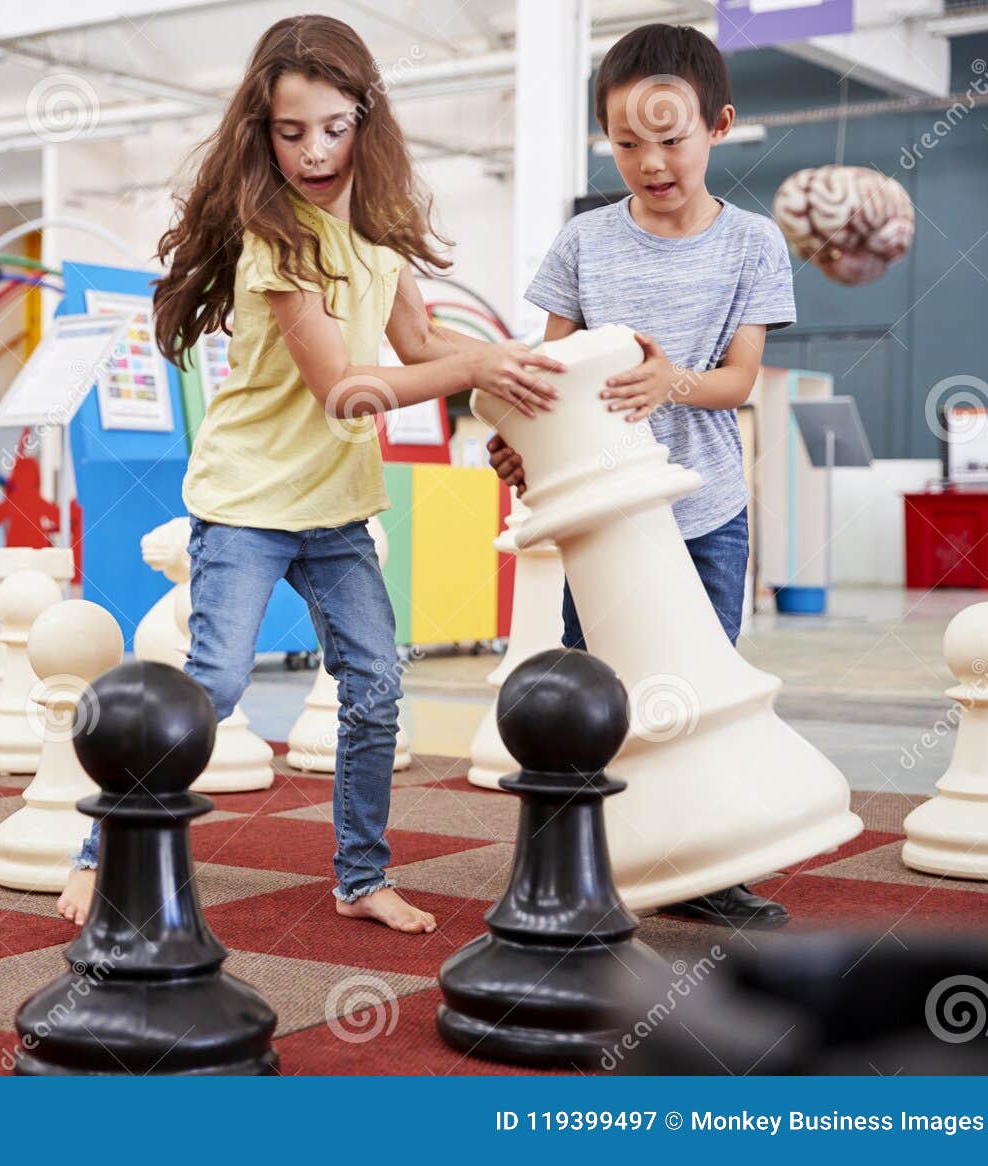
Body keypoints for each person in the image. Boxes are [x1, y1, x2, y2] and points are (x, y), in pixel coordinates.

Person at [57, 13, 562, 933]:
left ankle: (361, 877)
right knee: (214, 688)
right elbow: (345, 390)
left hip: (335, 508)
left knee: (375, 687)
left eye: (335, 128)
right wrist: (475, 369)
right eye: (292, 133)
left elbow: (416, 342)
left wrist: (508, 358)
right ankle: (101, 850)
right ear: (264, 130)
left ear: (368, 120)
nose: (316, 151)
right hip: (248, 499)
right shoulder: (273, 244)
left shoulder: (380, 232)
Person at [487, 23, 798, 930]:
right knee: (597, 694)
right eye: (627, 143)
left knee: (698, 692)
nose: (651, 161)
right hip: (603, 525)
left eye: (671, 139)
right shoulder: (585, 242)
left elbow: (740, 383)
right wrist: (519, 442)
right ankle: (583, 861)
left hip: (705, 511)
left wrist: (675, 381)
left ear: (720, 127)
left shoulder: (753, 246)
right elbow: (542, 383)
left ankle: (710, 865)